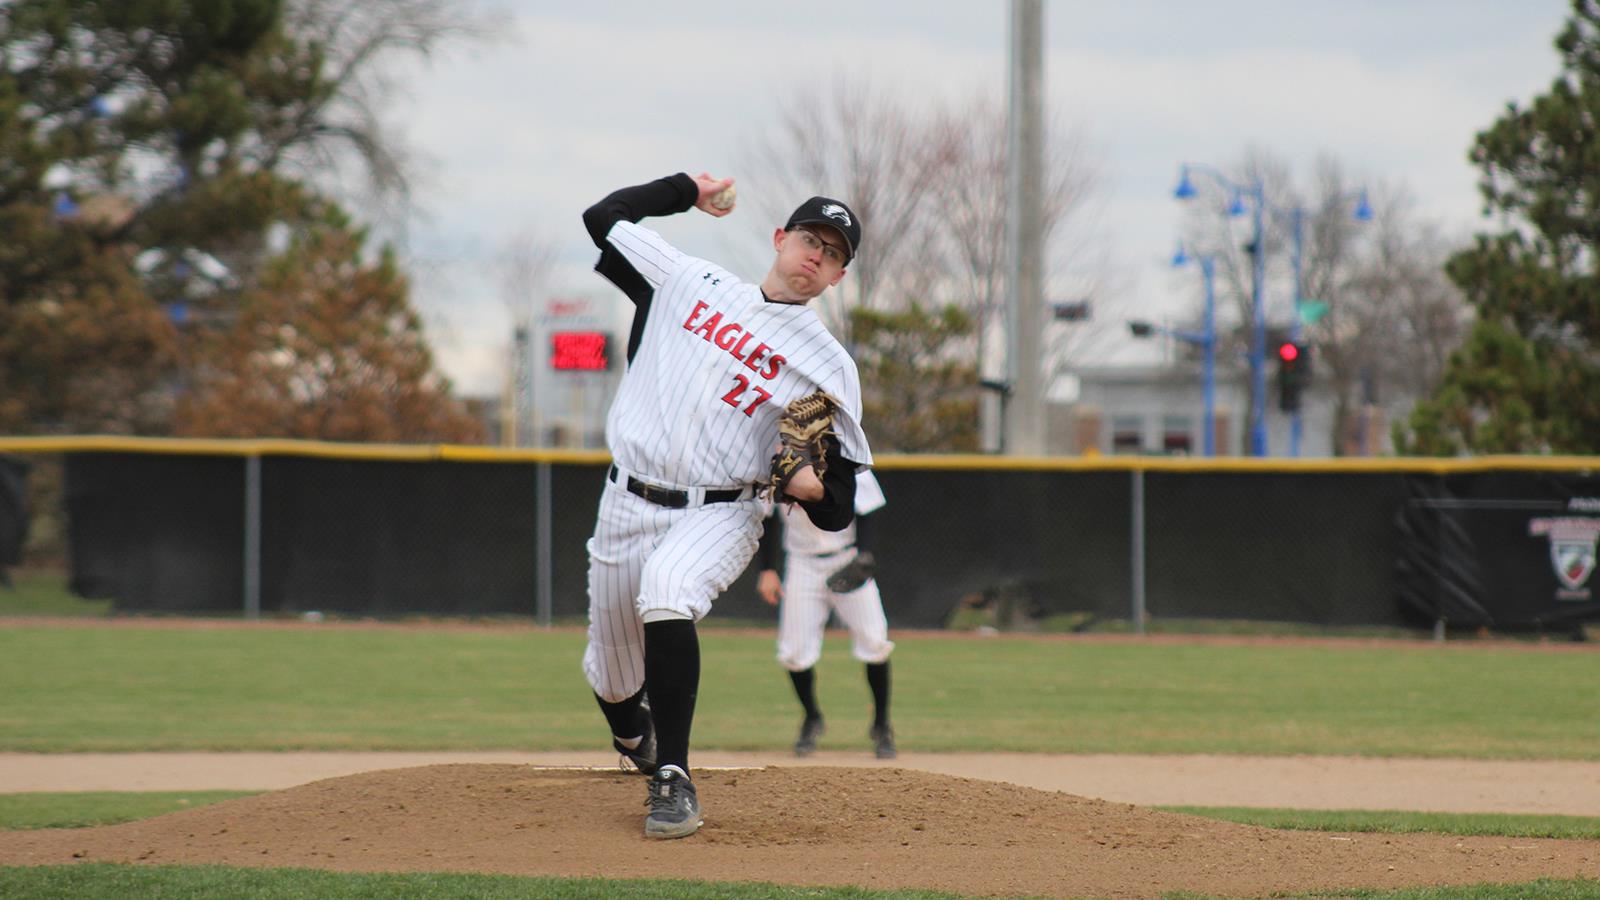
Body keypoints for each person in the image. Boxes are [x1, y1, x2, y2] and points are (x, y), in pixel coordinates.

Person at [579, 171, 873, 840]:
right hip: (625, 499)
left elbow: (840, 506)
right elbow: (603, 217)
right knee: (613, 678)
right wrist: (687, 189)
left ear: (837, 277)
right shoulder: (690, 281)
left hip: (722, 510)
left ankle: (673, 778)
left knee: (668, 590)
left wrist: (810, 487)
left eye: (832, 254)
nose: (816, 256)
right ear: (779, 238)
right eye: (810, 240)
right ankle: (634, 736)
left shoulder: (828, 365)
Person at [758, 469, 896, 759]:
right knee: (794, 652)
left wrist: (863, 553)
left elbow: (867, 509)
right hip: (801, 563)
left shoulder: (845, 459)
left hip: (845, 557)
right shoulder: (778, 464)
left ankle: (882, 725)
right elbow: (767, 518)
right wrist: (767, 569)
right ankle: (812, 718)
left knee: (874, 641)